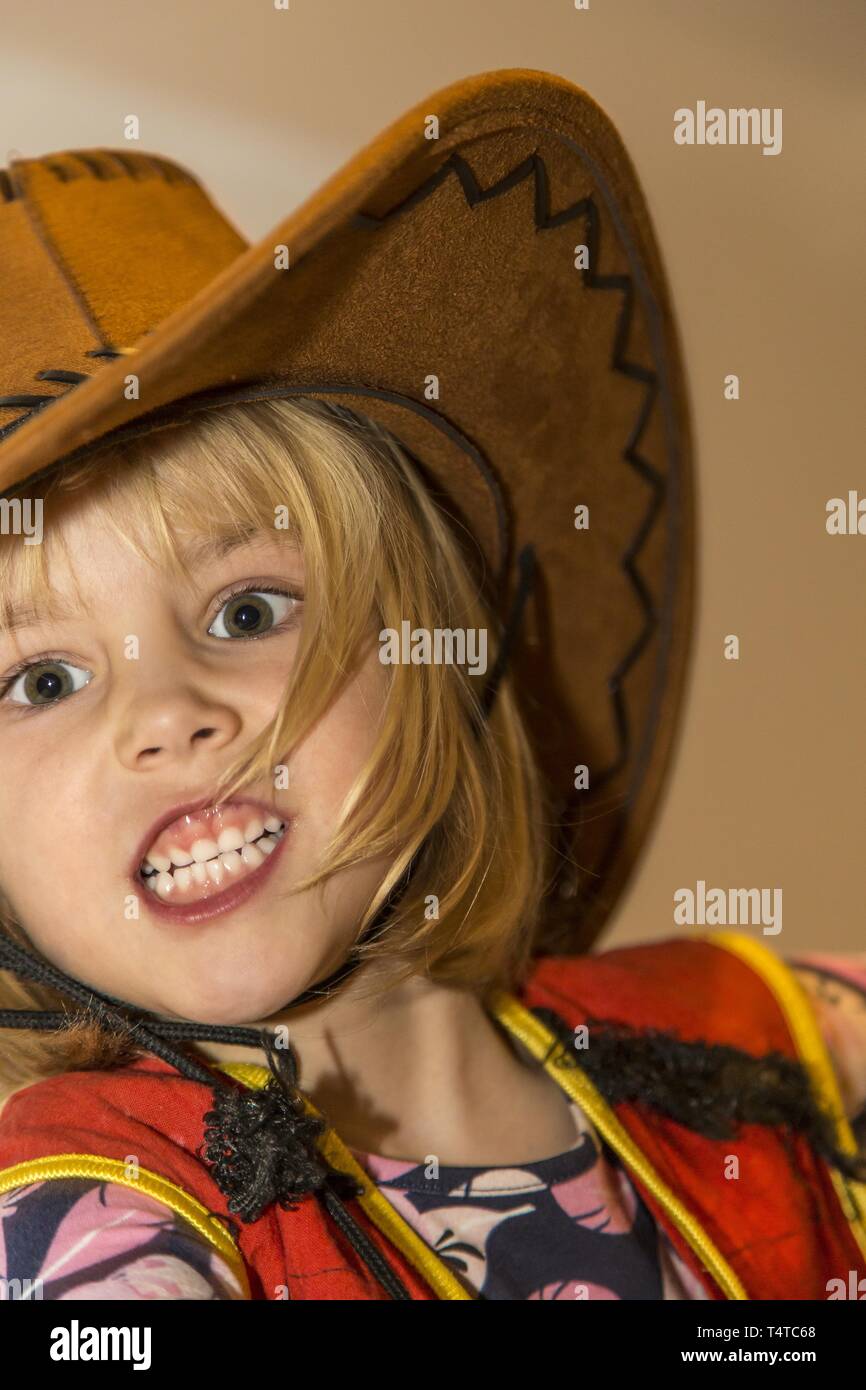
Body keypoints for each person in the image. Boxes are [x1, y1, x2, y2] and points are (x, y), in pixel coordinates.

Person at [0, 70, 863, 1301]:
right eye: (39, 677)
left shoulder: (768, 1034)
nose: (165, 714)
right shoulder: (82, 1204)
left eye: (246, 611)